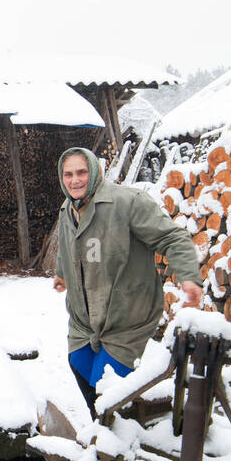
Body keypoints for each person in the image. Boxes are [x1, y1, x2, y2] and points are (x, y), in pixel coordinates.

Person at [51, 147, 203, 419]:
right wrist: (62, 274)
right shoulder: (67, 208)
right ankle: (103, 423)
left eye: (82, 172)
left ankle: (114, 434)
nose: (75, 180)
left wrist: (189, 277)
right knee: (78, 363)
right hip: (84, 320)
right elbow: (66, 246)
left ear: (95, 172)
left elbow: (173, 238)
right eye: (68, 174)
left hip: (125, 317)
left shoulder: (128, 203)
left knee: (106, 387)